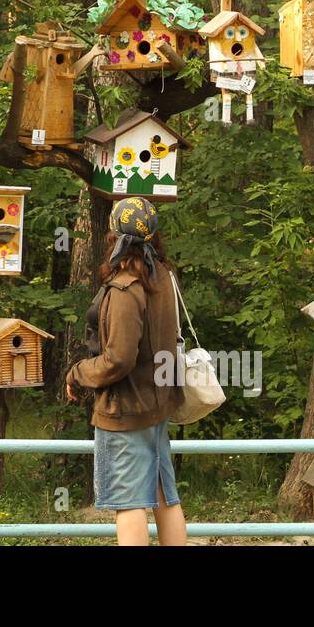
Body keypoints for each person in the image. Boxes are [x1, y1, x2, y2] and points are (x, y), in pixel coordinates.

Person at [66, 197, 188, 546]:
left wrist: (77, 373)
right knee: (166, 496)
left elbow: (118, 359)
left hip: (128, 409)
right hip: (158, 403)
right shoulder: (163, 276)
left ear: (114, 237)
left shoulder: (125, 288)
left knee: (129, 503)